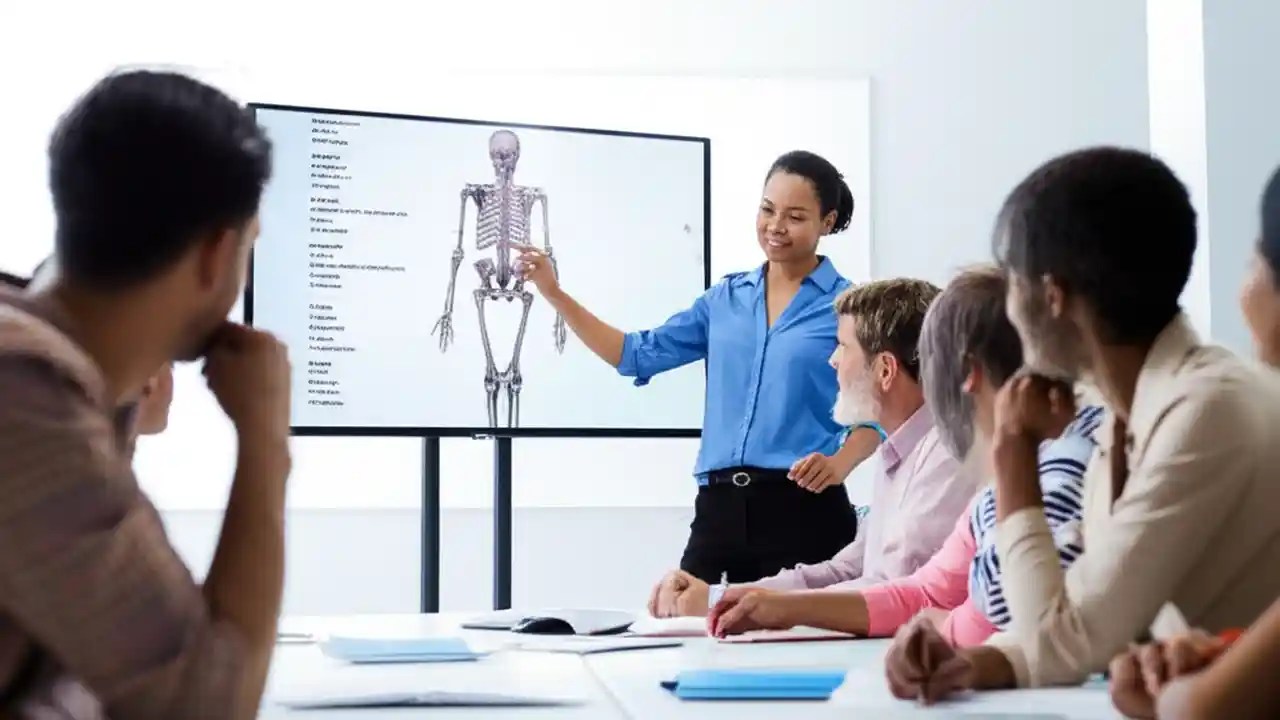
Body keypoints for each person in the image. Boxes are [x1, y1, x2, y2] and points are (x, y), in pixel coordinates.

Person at [884, 147, 1280, 703]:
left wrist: (1013, 452)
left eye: (1013, 286)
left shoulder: (1205, 411)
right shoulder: (1130, 414)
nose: (1011, 314)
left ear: (1052, 297)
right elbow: (1084, 613)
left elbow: (1063, 642)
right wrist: (974, 662)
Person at [0, 70, 289, 718]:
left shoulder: (38, 370)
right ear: (219, 254)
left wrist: (116, 402)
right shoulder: (24, 398)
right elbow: (205, 705)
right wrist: (266, 442)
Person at [519, 151, 882, 585]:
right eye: (767, 209)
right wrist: (554, 293)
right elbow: (633, 355)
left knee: (801, 647)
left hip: (804, 508)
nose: (775, 226)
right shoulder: (724, 300)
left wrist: (841, 462)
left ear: (827, 221)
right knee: (685, 631)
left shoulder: (849, 307)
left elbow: (880, 411)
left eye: (795, 216)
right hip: (719, 508)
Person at [706, 267, 1101, 643]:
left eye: (842, 347)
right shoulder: (974, 471)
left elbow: (1022, 621)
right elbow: (924, 590)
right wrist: (767, 603)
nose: (833, 360)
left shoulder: (1034, 459)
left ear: (967, 374)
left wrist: (950, 627)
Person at [660, 278, 978, 618]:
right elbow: (848, 571)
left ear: (885, 369)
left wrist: (740, 604)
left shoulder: (948, 456)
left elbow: (897, 591)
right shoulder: (900, 451)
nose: (832, 361)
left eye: (842, 346)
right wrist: (718, 596)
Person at [1105, 164, 1280, 720]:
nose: (1243, 289)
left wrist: (1178, 693)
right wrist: (1230, 657)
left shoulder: (1210, 405)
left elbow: (1199, 710)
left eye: (1256, 258)